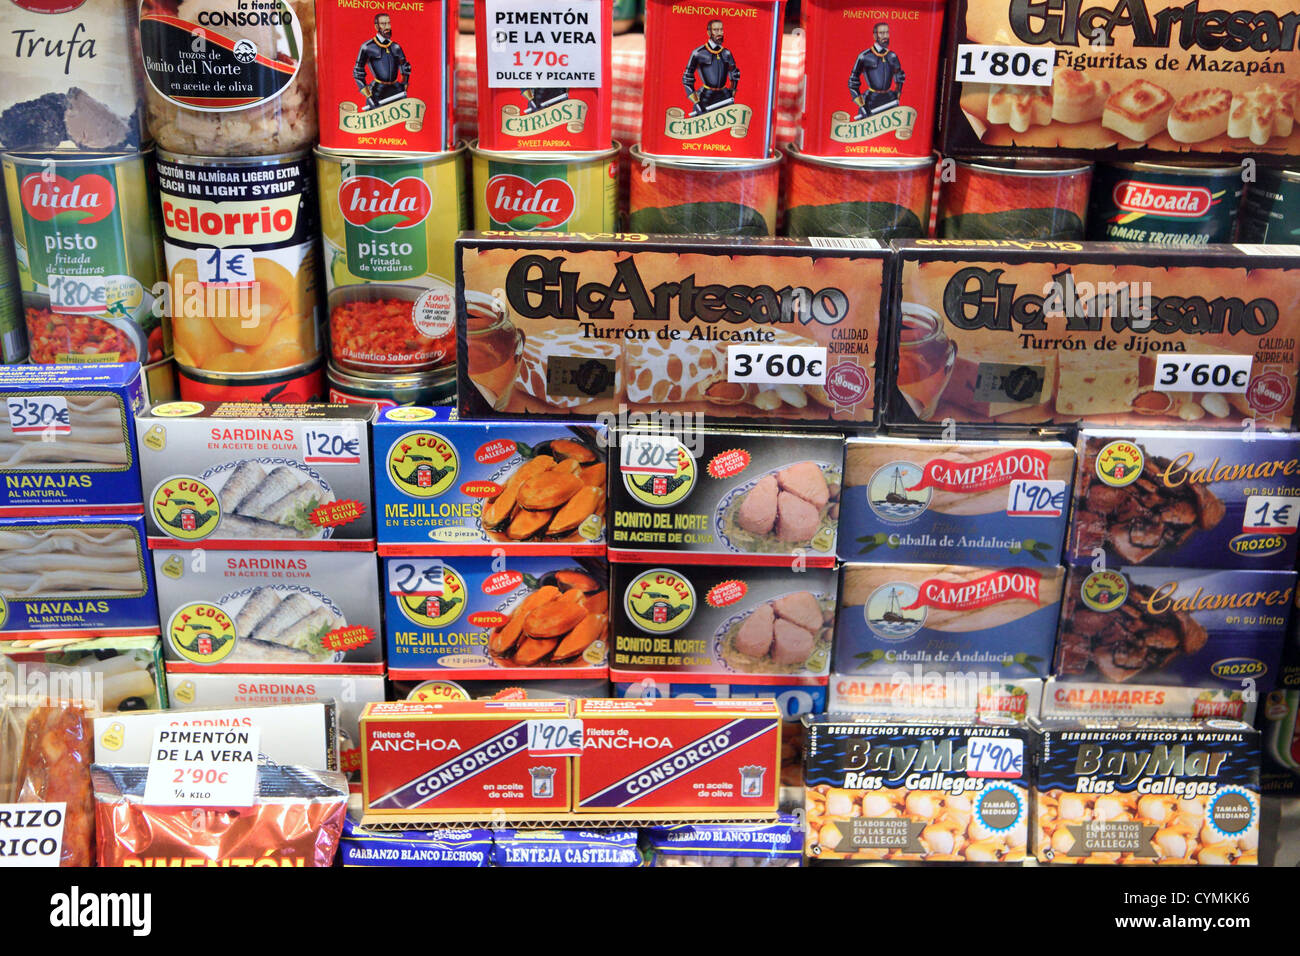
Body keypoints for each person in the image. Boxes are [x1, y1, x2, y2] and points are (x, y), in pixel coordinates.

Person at [354, 13, 412, 110]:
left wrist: (403, 87)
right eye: (383, 24)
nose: (387, 27)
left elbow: (405, 68)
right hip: (377, 92)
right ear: (377, 26)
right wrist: (369, 96)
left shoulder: (396, 47)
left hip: (397, 91)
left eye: (388, 23)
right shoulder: (367, 47)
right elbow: (358, 72)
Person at [682, 19, 739, 115]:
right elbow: (687, 78)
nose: (720, 33)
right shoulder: (698, 53)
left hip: (725, 97)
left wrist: (731, 93)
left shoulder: (726, 53)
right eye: (716, 30)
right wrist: (697, 103)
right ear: (709, 32)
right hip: (705, 98)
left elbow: (735, 74)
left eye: (721, 30)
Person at [849, 22, 905, 118]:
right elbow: (853, 81)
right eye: (882, 33)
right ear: (875, 35)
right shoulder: (864, 56)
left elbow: (899, 77)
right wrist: (862, 105)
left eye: (887, 33)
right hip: (870, 101)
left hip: (890, 100)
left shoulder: (892, 56)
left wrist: (896, 96)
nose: (885, 36)